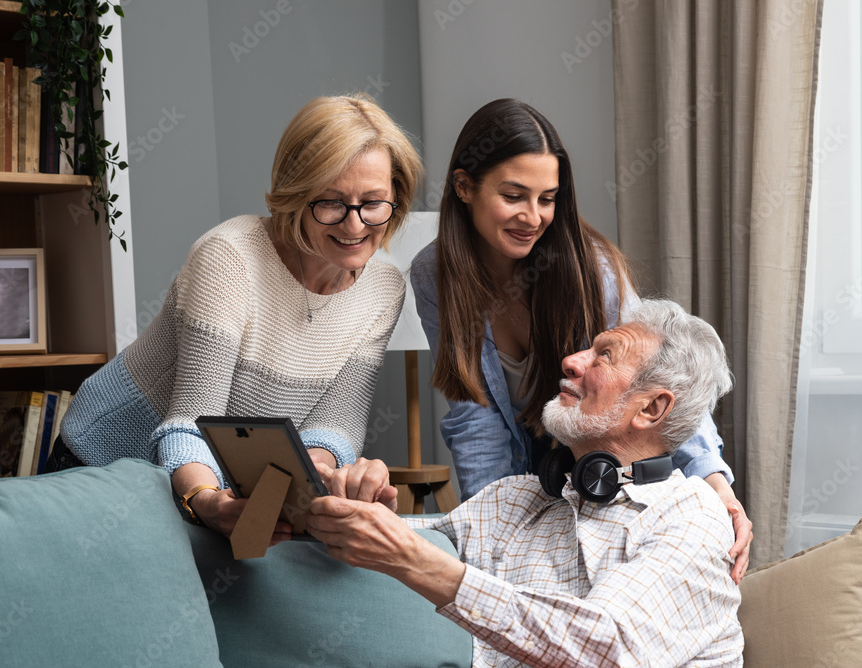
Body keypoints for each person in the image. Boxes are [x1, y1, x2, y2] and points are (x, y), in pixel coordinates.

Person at [409, 98, 752, 580]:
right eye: (513, 196)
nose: (533, 216)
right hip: (531, 485)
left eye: (547, 198)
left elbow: (662, 378)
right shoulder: (433, 273)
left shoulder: (591, 266)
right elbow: (474, 417)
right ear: (464, 187)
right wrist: (495, 534)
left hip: (605, 478)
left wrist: (714, 481)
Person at [54, 94, 421, 539]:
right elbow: (190, 421)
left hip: (221, 487)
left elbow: (336, 421)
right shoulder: (230, 258)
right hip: (111, 461)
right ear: (295, 194)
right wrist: (205, 501)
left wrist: (314, 477)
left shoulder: (384, 288)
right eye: (330, 202)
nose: (355, 225)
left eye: (374, 202)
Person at [308, 299, 745, 667]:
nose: (571, 362)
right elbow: (399, 547)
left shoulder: (693, 517)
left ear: (651, 409)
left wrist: (421, 564)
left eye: (604, 356)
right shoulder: (512, 499)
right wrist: (358, 508)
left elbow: (609, 649)